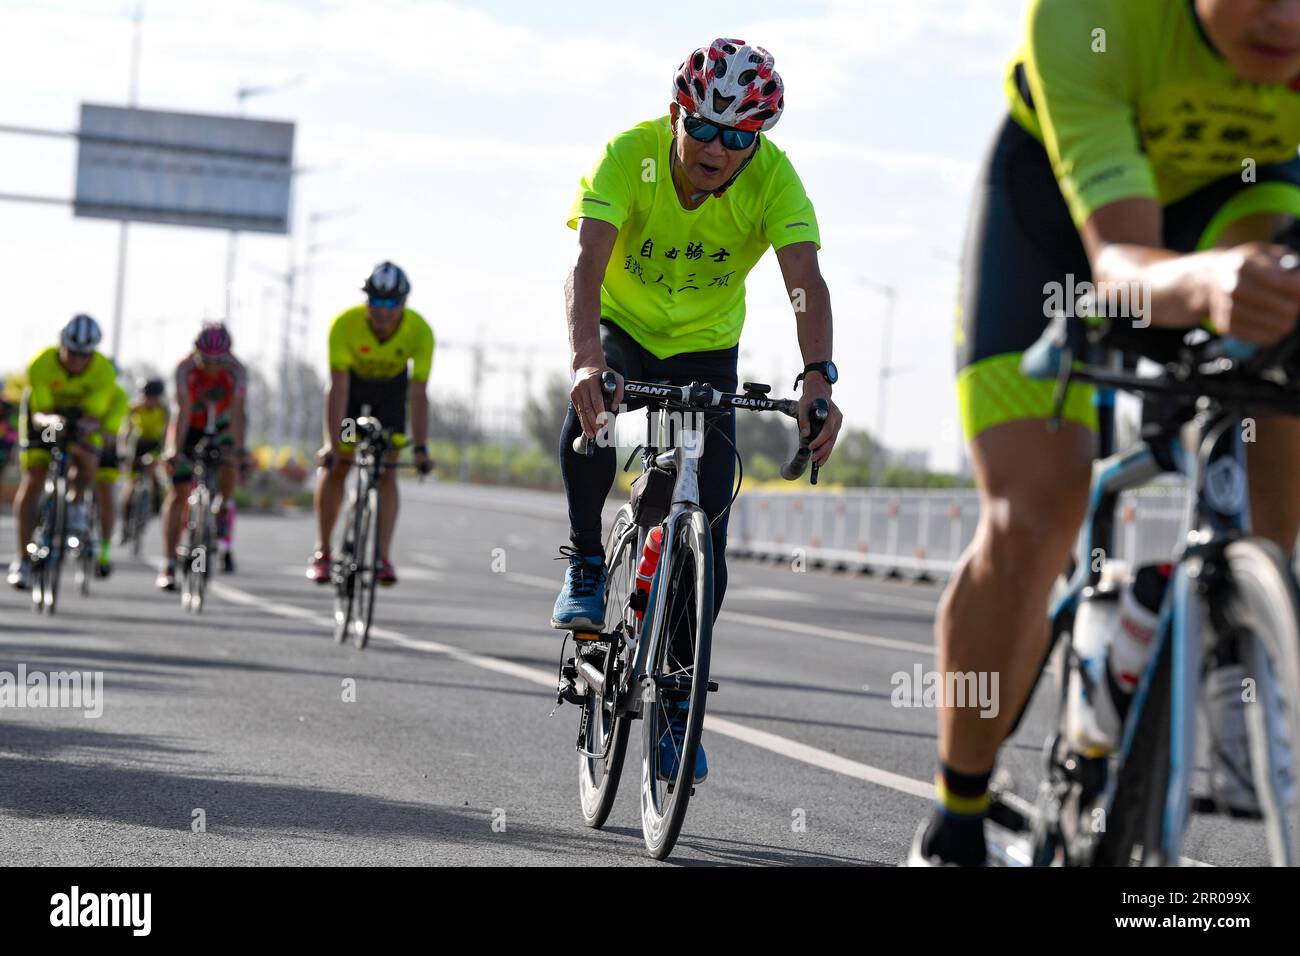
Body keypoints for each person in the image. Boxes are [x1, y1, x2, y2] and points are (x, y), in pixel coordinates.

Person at [912, 0, 1300, 866]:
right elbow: (1119, 265)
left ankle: (1252, 641)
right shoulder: (1089, 18)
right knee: (1035, 516)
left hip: (1240, 193)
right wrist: (1210, 283)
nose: (1286, 16)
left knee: (1279, 354)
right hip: (1058, 227)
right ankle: (959, 814)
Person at [553, 38, 843, 784]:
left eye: (740, 135)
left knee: (703, 525)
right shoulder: (632, 155)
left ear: (758, 140)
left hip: (706, 351)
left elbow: (804, 279)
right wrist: (588, 361)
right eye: (706, 128)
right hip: (623, 329)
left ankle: (678, 701)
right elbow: (586, 265)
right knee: (595, 418)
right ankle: (587, 559)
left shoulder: (773, 179)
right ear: (678, 113)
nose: (719, 148)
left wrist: (817, 377)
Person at [307, 261, 435, 587]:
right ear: (366, 302)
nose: (383, 312)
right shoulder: (344, 325)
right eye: (376, 302)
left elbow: (418, 395)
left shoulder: (420, 331)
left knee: (388, 471)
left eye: (391, 303)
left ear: (403, 304)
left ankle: (382, 558)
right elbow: (337, 387)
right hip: (353, 394)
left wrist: (420, 448)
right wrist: (333, 444)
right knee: (339, 466)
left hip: (390, 396)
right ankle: (322, 551)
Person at [7, 315, 117, 589]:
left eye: (84, 355)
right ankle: (22, 559)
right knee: (33, 479)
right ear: (62, 346)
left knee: (89, 455)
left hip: (81, 421)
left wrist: (82, 429)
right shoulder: (41, 363)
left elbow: (95, 416)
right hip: (43, 421)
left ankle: (75, 505)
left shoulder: (104, 370)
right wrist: (53, 423)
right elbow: (39, 414)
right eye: (72, 353)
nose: (78, 360)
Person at [157, 323, 247, 590]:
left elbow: (239, 413)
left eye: (218, 361)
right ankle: (169, 564)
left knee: (230, 461)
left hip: (221, 424)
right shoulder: (184, 369)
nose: (211, 367)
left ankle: (223, 505)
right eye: (206, 361)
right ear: (195, 353)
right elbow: (181, 410)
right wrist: (175, 450)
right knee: (179, 492)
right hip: (189, 426)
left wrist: (238, 451)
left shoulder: (236, 371)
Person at [90, 381, 130, 577]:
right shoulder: (82, 387)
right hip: (80, 443)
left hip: (105, 445)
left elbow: (118, 427)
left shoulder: (119, 395)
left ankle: (104, 553)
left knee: (106, 496)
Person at [121, 377, 169, 539]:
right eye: (147, 396)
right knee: (132, 483)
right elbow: (126, 430)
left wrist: (162, 453)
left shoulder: (164, 410)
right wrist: (124, 450)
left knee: (154, 474)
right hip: (138, 444)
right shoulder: (134, 408)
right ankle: (126, 522)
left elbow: (166, 434)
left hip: (155, 444)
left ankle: (156, 504)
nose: (150, 400)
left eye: (154, 397)